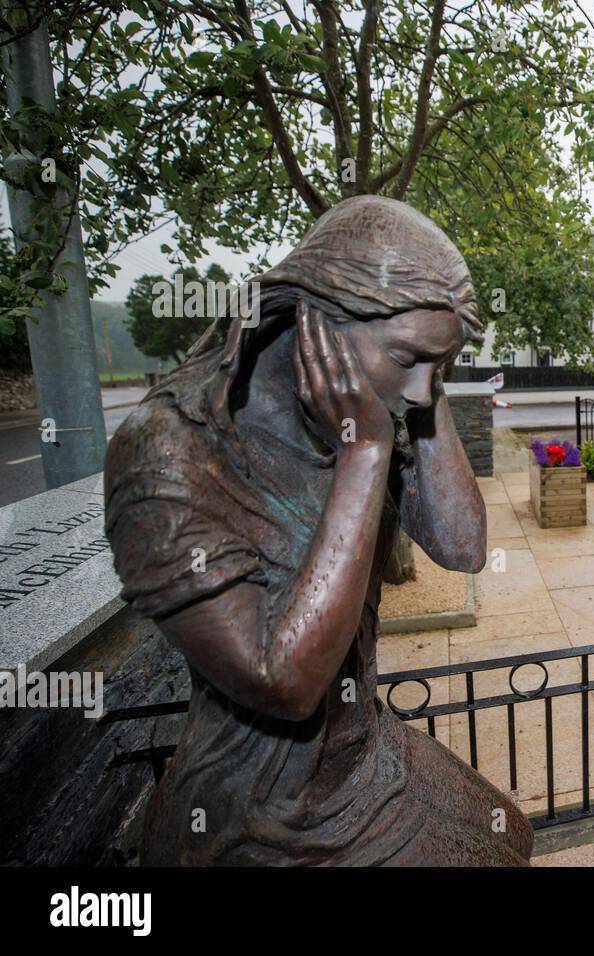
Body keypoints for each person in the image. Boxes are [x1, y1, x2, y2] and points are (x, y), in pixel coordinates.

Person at [104, 196, 532, 865]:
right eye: (405, 356)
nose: (420, 391)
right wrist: (364, 455)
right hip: (264, 807)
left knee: (509, 835)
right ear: (315, 321)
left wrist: (424, 374)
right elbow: (286, 684)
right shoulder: (167, 453)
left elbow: (464, 548)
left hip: (360, 753)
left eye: (440, 366)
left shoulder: (388, 398)